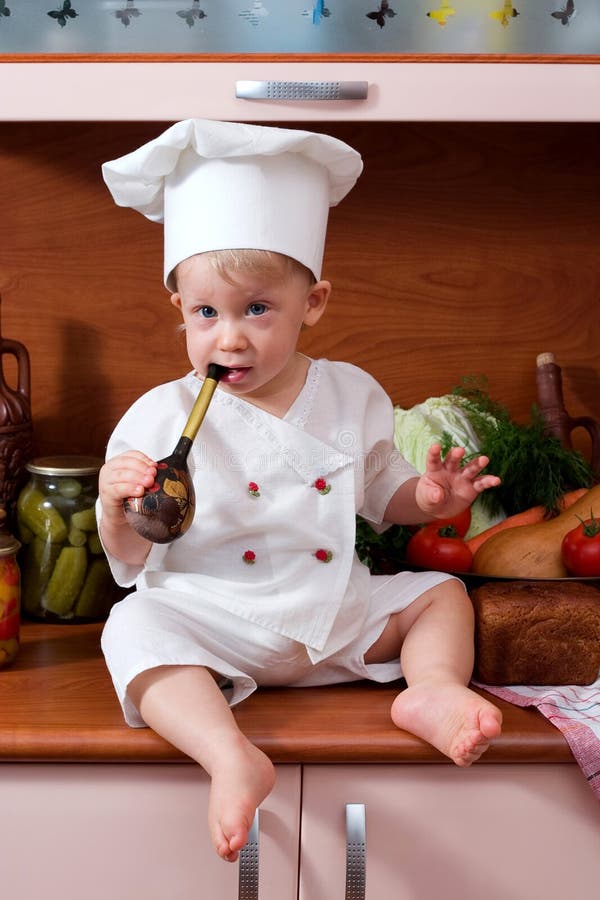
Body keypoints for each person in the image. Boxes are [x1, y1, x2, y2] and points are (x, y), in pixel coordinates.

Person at [99, 119, 503, 864]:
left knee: (440, 597)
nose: (230, 340)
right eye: (206, 313)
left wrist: (434, 499)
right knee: (132, 629)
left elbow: (385, 495)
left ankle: (432, 689)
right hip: (217, 622)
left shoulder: (351, 395)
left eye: (258, 309)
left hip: (336, 618)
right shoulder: (159, 414)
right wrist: (113, 500)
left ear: (312, 302)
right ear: (179, 310)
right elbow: (130, 555)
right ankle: (228, 754)